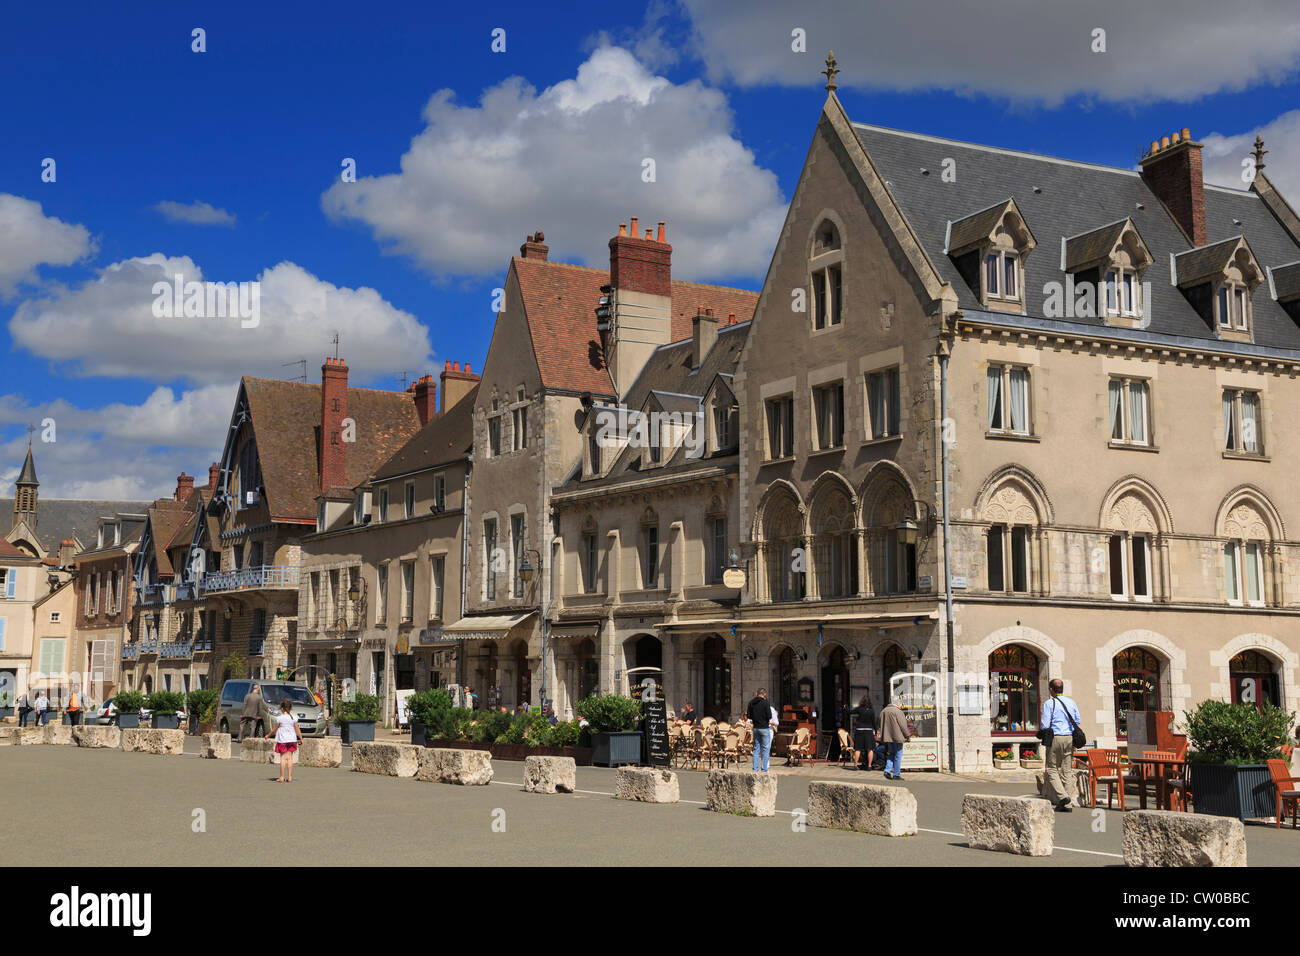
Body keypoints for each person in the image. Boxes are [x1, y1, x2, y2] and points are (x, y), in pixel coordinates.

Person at [1040, 678, 1083, 812]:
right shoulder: (1071, 702)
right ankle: (1067, 805)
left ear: (1051, 689)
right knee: (1066, 770)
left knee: (1051, 769)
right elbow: (1077, 720)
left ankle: (1064, 797)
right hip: (1069, 737)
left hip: (1055, 738)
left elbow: (1045, 725)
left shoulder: (1049, 703)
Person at [265, 699, 302, 783]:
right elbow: (297, 729)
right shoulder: (294, 718)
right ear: (290, 708)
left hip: (283, 740)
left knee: (283, 758)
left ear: (282, 708)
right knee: (289, 758)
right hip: (292, 740)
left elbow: (274, 729)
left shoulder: (280, 718)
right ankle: (289, 777)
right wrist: (301, 738)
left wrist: (268, 735)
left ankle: (281, 777)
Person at [878, 696, 911, 780]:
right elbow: (903, 726)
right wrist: (907, 736)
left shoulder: (883, 711)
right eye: (899, 702)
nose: (900, 704)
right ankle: (896, 774)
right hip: (897, 736)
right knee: (898, 755)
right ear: (896, 702)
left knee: (892, 753)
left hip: (888, 737)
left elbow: (880, 723)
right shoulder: (898, 711)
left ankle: (887, 770)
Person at [746, 688, 775, 773]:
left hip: (756, 728)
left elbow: (749, 716)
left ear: (756, 693)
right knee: (766, 749)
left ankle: (755, 769)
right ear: (764, 694)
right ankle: (764, 769)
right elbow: (769, 716)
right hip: (764, 728)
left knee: (756, 749)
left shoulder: (751, 702)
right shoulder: (765, 703)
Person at [851, 695, 876, 769]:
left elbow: (850, 712)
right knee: (870, 749)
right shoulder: (871, 710)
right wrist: (876, 730)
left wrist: (846, 707)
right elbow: (873, 722)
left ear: (862, 701)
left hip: (859, 730)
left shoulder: (859, 709)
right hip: (868, 730)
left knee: (858, 748)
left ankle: (855, 765)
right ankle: (869, 766)